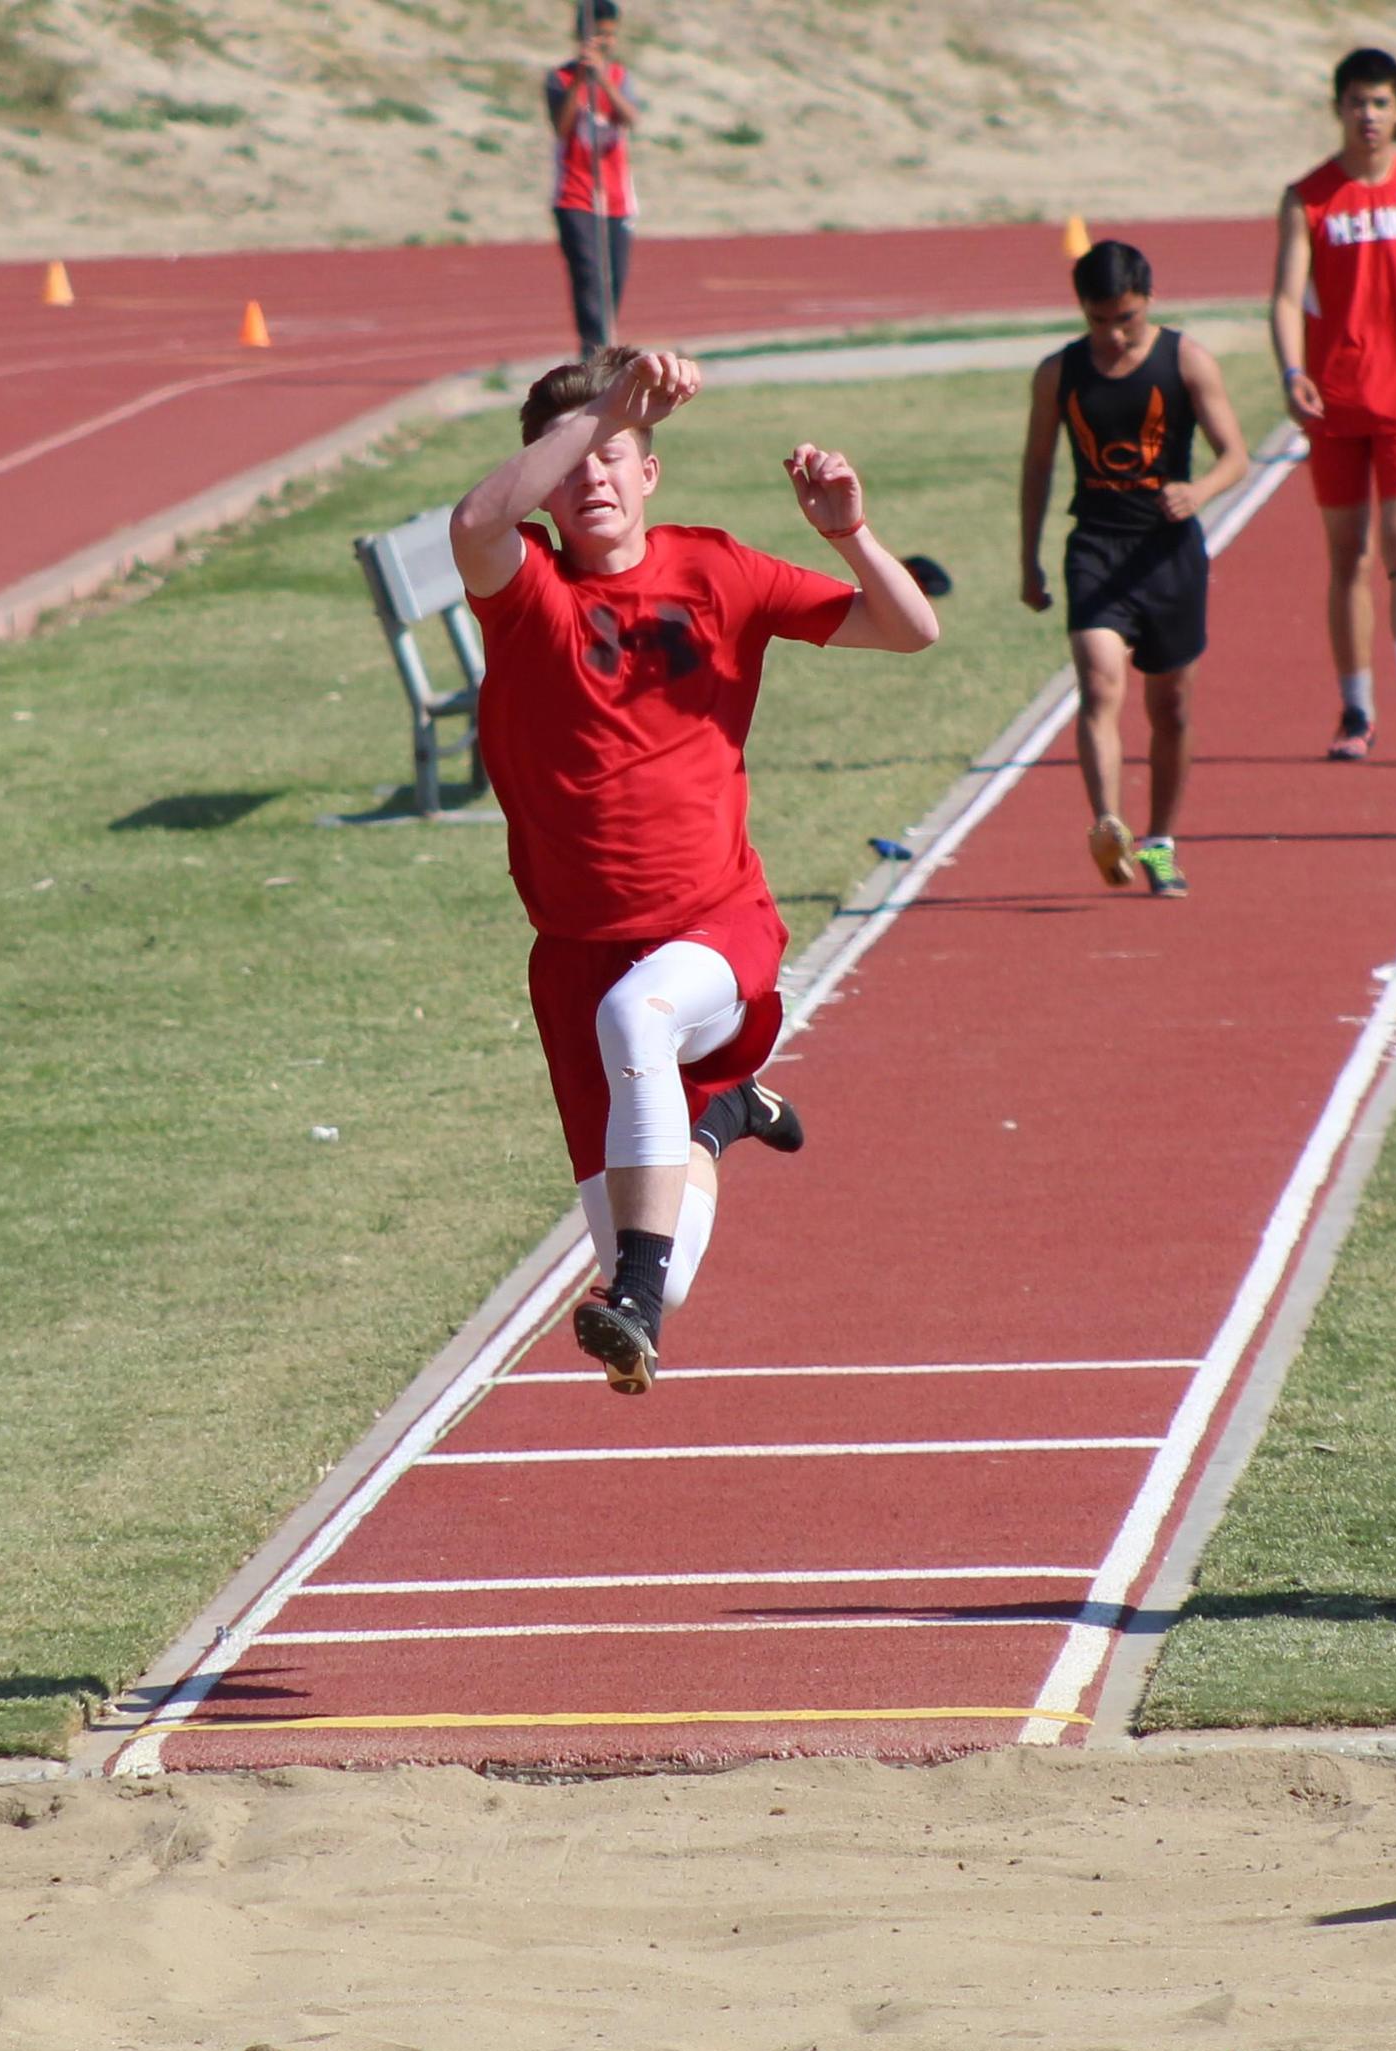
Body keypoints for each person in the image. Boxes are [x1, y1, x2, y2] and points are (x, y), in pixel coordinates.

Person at [448, 347, 938, 1393]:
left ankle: (625, 1300)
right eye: (570, 460)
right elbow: (475, 522)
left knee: (639, 1027)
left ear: (651, 471)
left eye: (614, 455)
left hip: (714, 925)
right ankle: (720, 1119)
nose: (593, 476)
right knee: (667, 1270)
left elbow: (910, 630)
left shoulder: (716, 570)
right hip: (575, 955)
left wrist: (847, 533)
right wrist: (599, 414)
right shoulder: (525, 589)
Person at [1019, 240, 1250, 899]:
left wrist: (1198, 491)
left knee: (1170, 707)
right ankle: (1108, 825)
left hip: (1168, 554)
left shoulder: (1186, 361)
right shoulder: (1058, 373)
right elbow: (1037, 466)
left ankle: (1161, 844)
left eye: (1126, 318)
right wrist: (1028, 560)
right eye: (1099, 321)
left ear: (1149, 300)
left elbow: (1236, 456)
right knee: (1099, 684)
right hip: (1096, 548)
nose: (1114, 335)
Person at [1272, 47, 1396, 766]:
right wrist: (1293, 371)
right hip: (1336, 403)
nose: (1369, 116)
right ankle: (1356, 711)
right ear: (1339, 108)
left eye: (1381, 103)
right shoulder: (1309, 198)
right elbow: (1285, 298)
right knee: (1348, 556)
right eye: (1357, 102)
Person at [546, 0, 639, 358]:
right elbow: (561, 126)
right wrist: (580, 82)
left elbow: (630, 118)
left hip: (616, 198)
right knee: (589, 278)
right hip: (575, 194)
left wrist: (602, 80)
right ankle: (593, 356)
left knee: (613, 281)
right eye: (600, 34)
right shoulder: (560, 79)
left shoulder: (619, 77)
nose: (606, 41)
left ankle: (605, 347)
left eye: (611, 35)